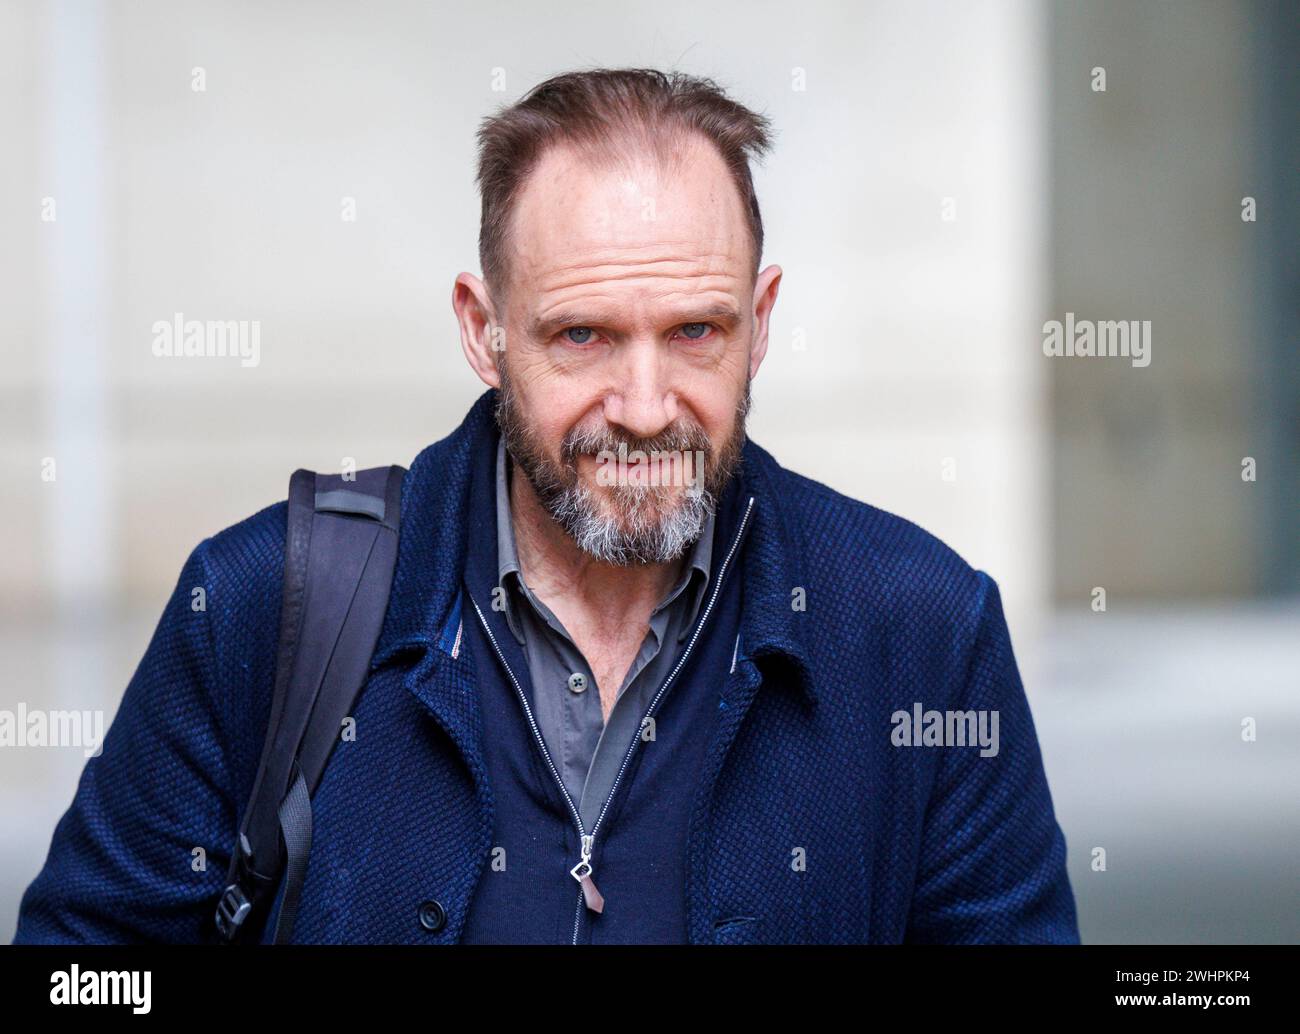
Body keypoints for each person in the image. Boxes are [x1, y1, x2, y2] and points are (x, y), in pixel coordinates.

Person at [14, 67, 1079, 944]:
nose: (648, 407)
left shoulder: (923, 629)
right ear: (483, 330)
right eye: (583, 336)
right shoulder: (259, 606)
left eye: (696, 332)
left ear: (760, 320)